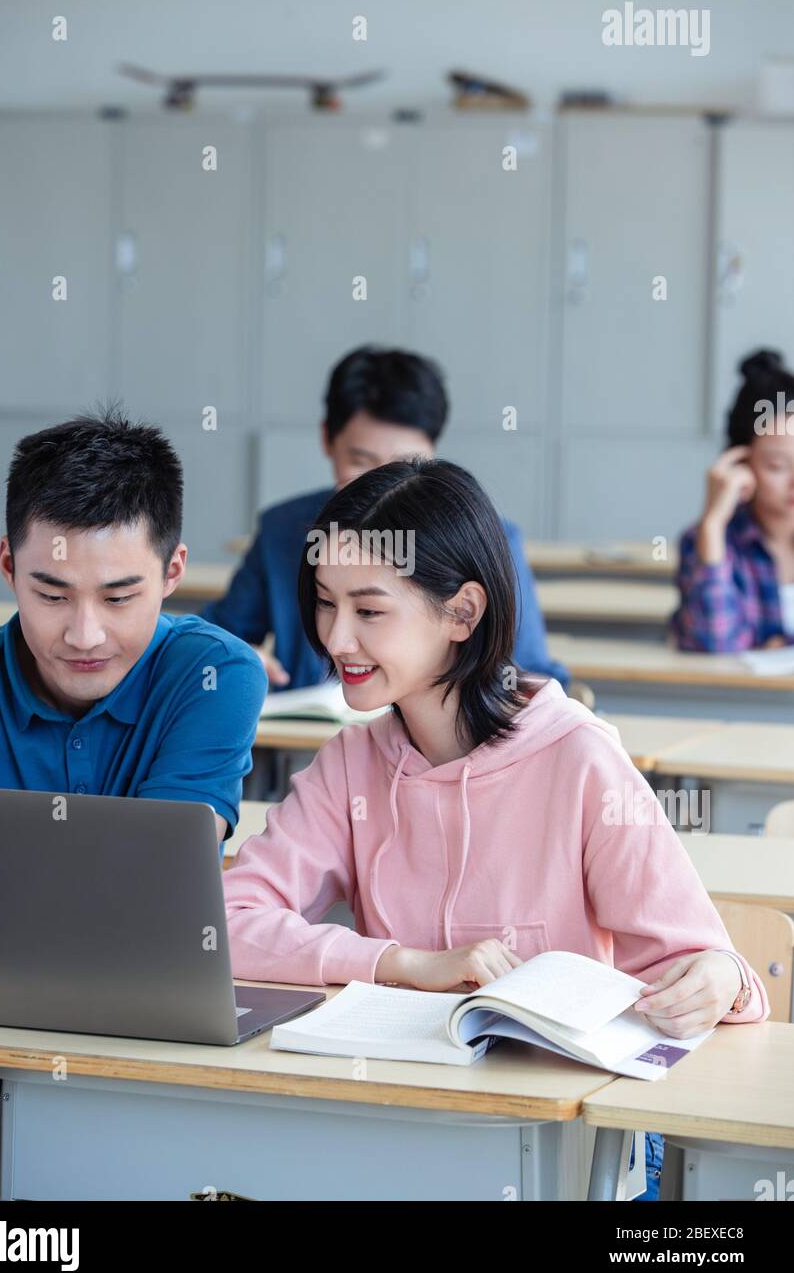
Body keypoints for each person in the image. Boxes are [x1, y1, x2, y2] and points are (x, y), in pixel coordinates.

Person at [223, 456, 769, 1200]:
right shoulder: (353, 762)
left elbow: (709, 967)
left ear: (461, 612)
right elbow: (224, 922)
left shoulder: (578, 758)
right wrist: (403, 963)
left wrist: (721, 977)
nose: (336, 639)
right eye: (324, 603)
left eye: (369, 610)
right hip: (395, 1127)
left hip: (557, 1149)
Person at [0, 406, 267, 848]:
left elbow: (161, 867)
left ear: (172, 571)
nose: (85, 636)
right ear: (9, 566)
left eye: (118, 598)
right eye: (53, 596)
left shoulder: (214, 675)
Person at [202, 344, 568, 690]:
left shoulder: (488, 539)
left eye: (403, 466)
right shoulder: (285, 529)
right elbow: (218, 633)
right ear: (327, 439)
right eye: (360, 462)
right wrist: (234, 656)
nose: (380, 485)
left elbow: (528, 674)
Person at [673, 348, 794, 651]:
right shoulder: (705, 540)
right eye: (777, 466)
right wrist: (713, 524)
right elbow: (714, 641)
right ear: (741, 463)